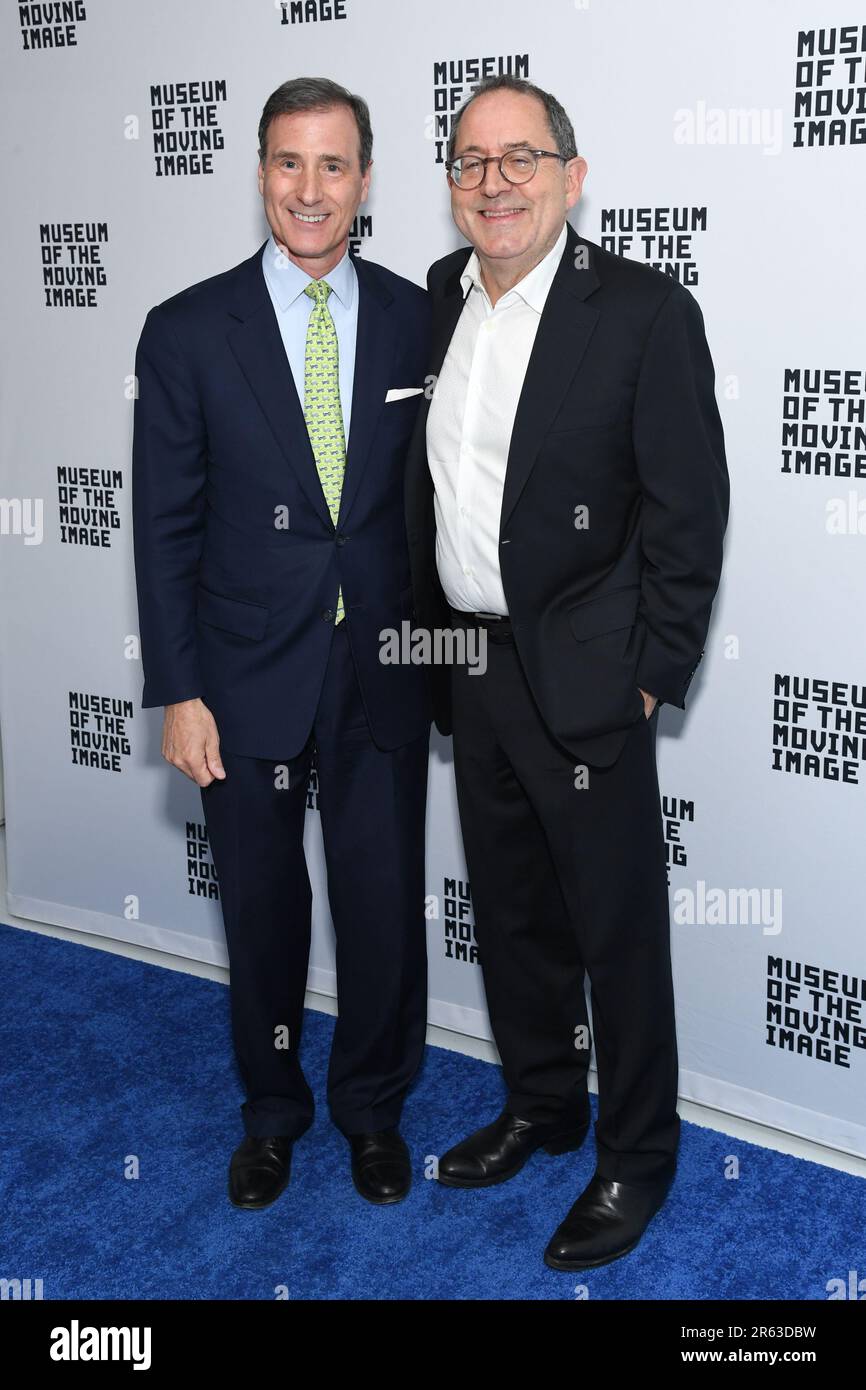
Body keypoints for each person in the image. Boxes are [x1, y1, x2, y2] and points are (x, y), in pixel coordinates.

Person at [405, 74, 729, 1269]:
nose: (494, 183)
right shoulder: (441, 296)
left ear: (570, 177)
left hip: (588, 677)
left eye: (520, 159)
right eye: (470, 162)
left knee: (615, 935)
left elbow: (688, 513)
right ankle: (542, 1106)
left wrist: (647, 675)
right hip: (471, 662)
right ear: (450, 188)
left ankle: (634, 1153)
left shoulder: (642, 312)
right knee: (511, 917)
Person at [133, 77, 431, 1210]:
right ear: (258, 170)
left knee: (379, 901)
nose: (310, 191)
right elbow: (162, 528)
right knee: (260, 910)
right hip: (242, 677)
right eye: (289, 164)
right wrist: (179, 689)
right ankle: (271, 1111)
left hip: (381, 673)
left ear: (364, 180)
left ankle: (370, 1108)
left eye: (334, 166)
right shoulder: (183, 330)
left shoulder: (416, 316)